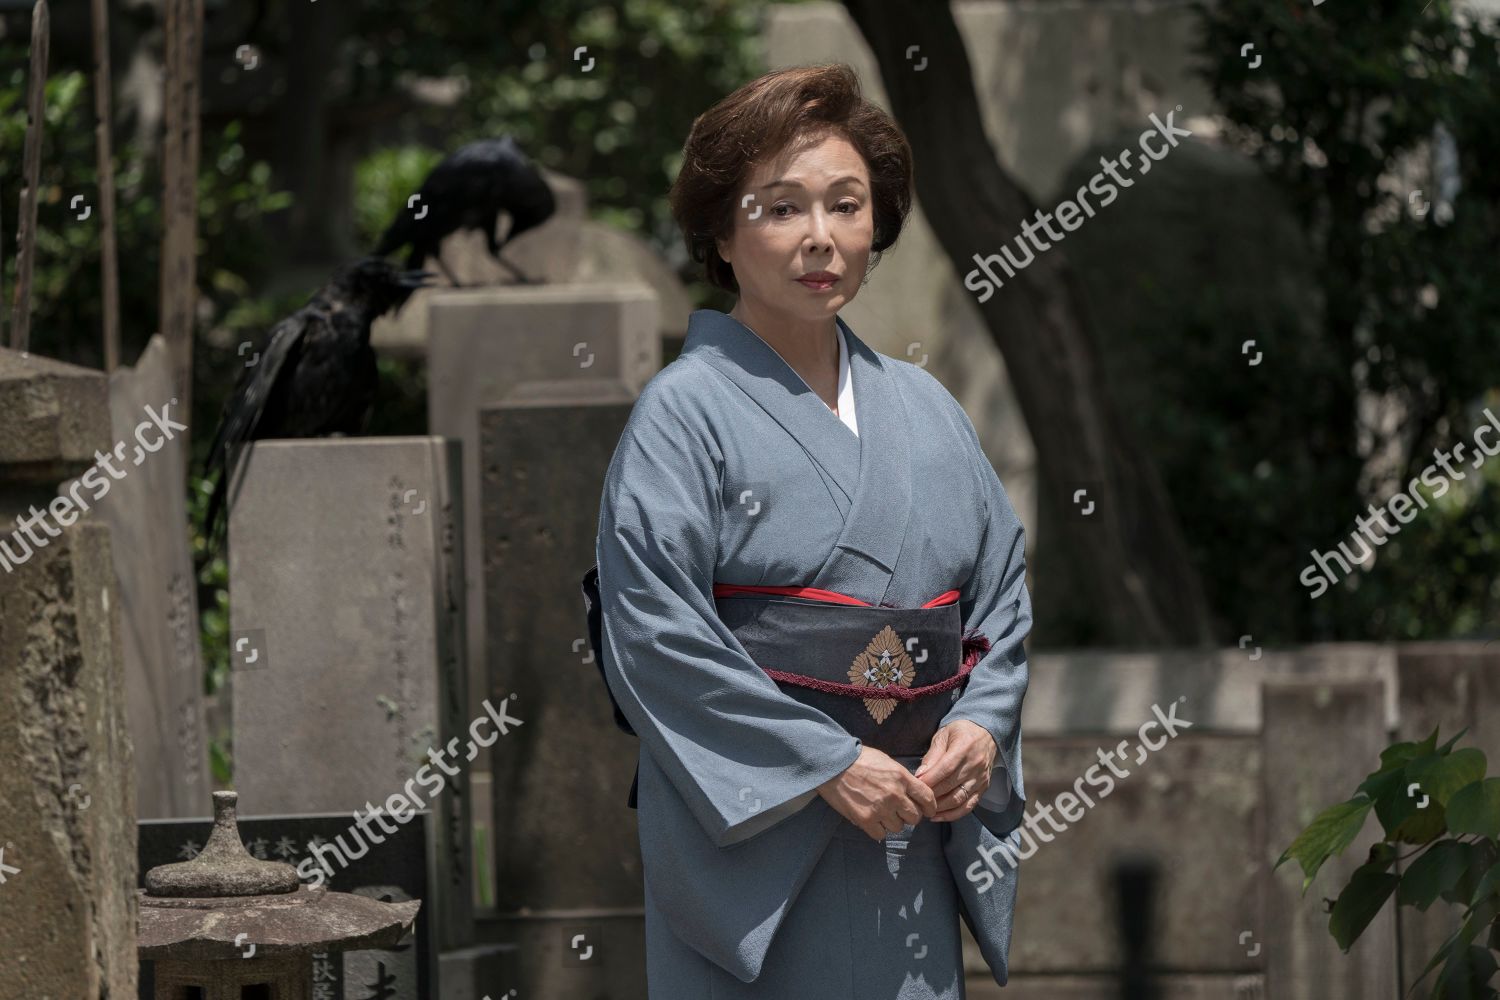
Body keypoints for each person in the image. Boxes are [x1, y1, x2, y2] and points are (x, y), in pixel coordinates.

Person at [592, 62, 1031, 998]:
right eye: (781, 208)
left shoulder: (926, 409)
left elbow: (1002, 597)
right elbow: (653, 629)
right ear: (720, 228)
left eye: (847, 205)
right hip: (759, 843)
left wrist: (983, 728)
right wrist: (825, 762)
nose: (821, 238)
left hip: (909, 826)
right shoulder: (684, 415)